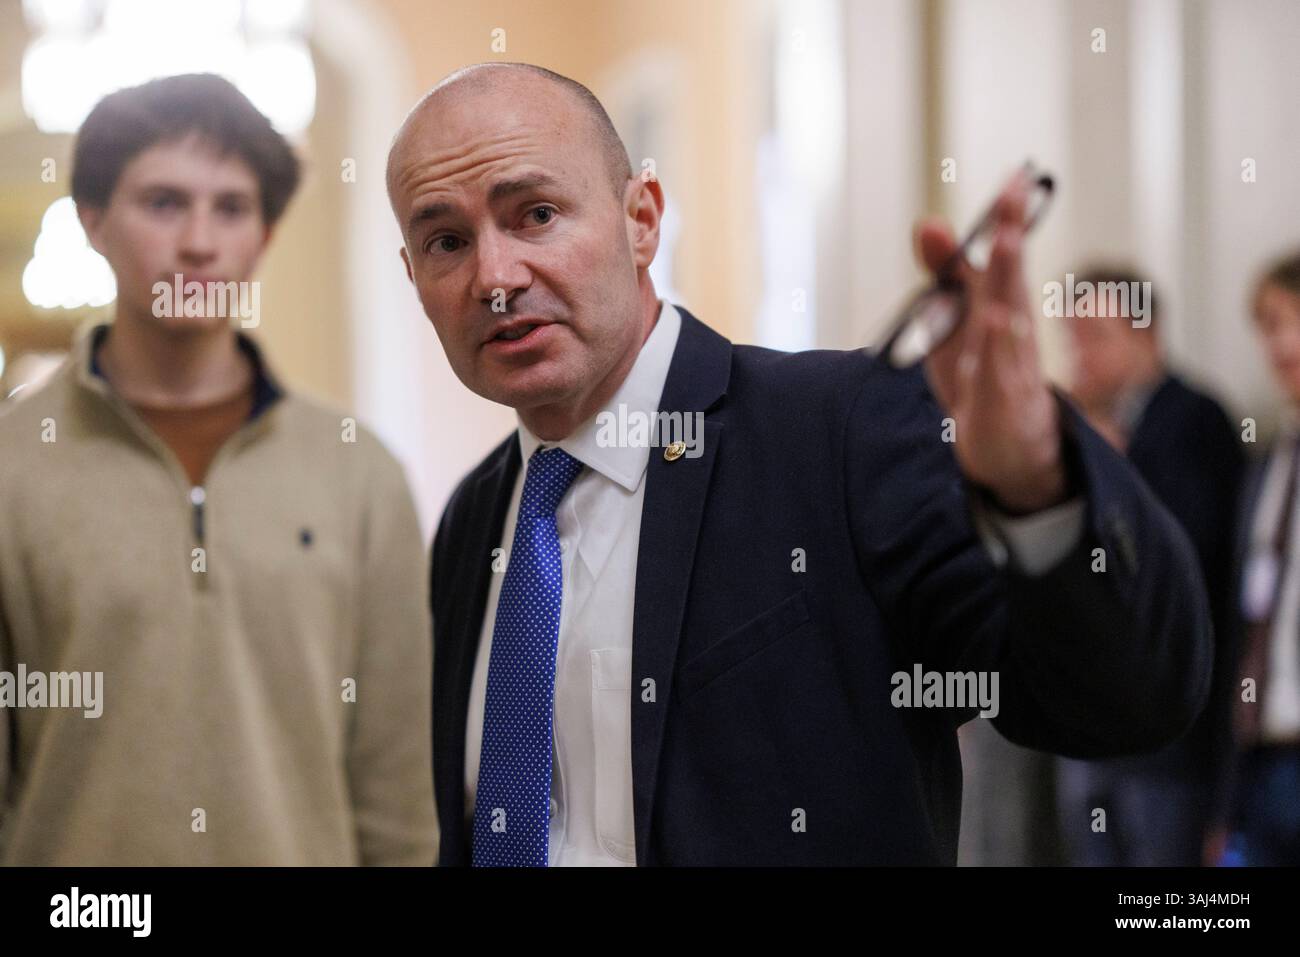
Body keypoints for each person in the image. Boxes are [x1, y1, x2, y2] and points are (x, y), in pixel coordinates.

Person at [387, 61, 1212, 865]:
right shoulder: (475, 519)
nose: (495, 279)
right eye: (447, 241)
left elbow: (1120, 702)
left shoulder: (837, 430)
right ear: (413, 276)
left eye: (535, 214)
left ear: (642, 219)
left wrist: (1036, 487)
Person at [0, 74, 437, 865]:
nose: (199, 241)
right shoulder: (11, 468)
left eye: (231, 207)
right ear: (93, 221)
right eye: (163, 202)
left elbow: (397, 788)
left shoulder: (359, 475)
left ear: (264, 236)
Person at [1055, 265, 1242, 866]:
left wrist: (1115, 472)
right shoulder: (1078, 427)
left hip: (1168, 731)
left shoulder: (1193, 419)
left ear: (1147, 335)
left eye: (1097, 336)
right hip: (1087, 718)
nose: (1081, 355)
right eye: (1074, 337)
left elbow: (1185, 559)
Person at [1224, 250, 1300, 866]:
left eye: (1294, 319)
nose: (1284, 341)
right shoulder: (1270, 459)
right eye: (1271, 325)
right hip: (1265, 754)